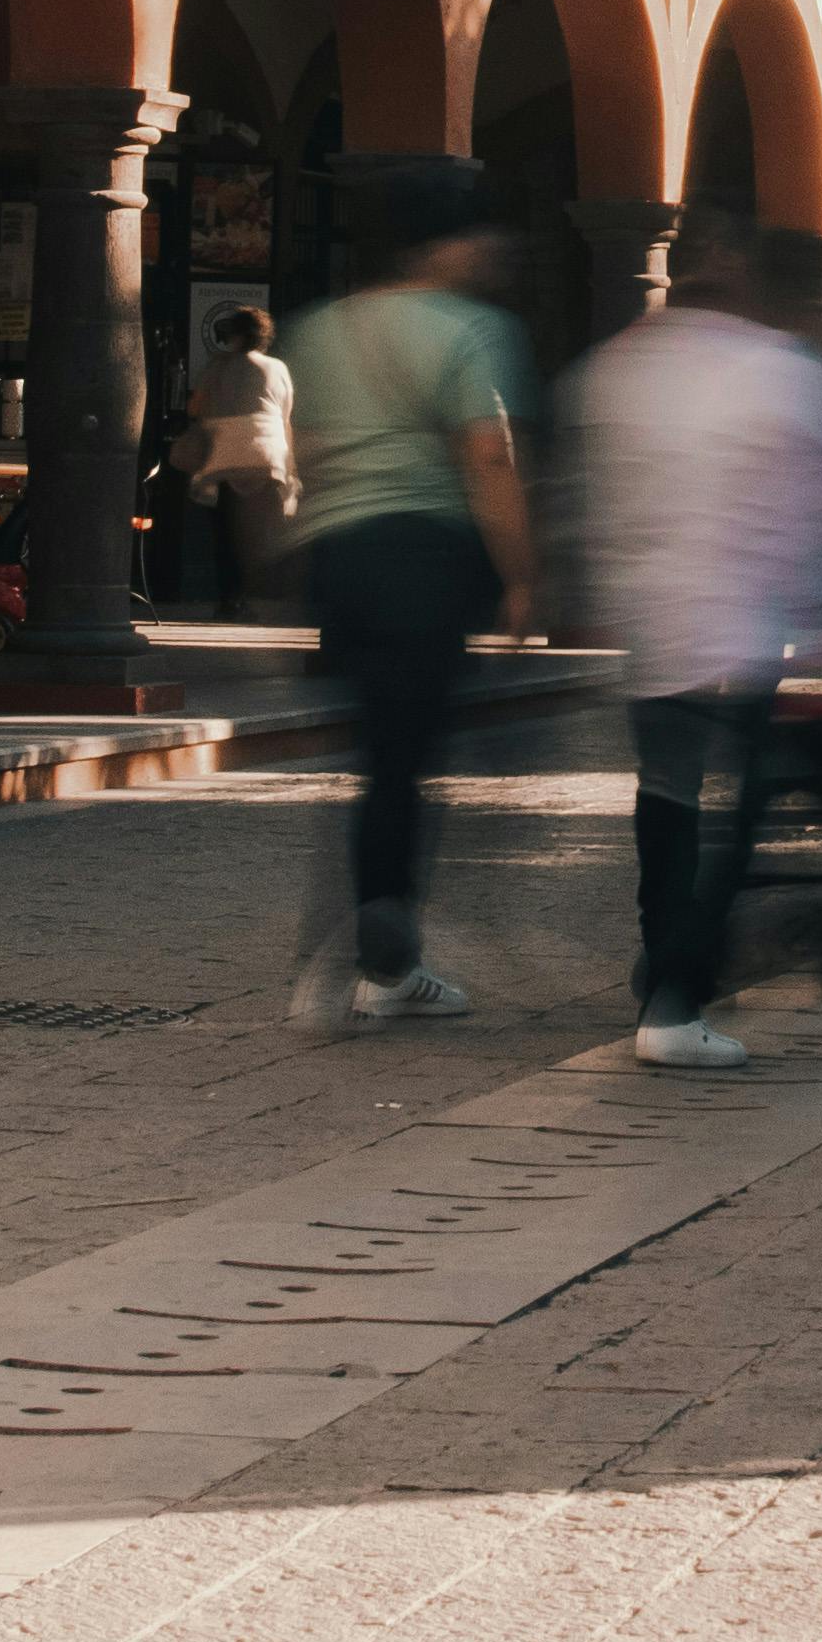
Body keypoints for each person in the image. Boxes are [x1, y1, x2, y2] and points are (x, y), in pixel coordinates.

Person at [574, 217, 822, 1069]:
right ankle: (681, 997)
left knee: (669, 802)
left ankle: (665, 969)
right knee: (743, 816)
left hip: (653, 626)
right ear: (741, 276)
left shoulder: (617, 368)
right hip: (739, 630)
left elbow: (591, 503)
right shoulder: (781, 374)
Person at [281, 168, 536, 1021]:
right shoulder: (474, 329)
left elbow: (304, 453)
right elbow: (489, 455)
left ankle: (373, 950)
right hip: (422, 561)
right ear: (442, 244)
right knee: (403, 766)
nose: (494, 254)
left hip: (339, 559)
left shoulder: (321, 329)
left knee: (381, 758)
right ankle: (377, 965)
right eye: (481, 237)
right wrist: (520, 574)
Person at [182, 305, 293, 606]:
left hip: (226, 458)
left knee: (226, 532)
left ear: (234, 335)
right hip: (266, 458)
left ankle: (230, 599)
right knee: (259, 534)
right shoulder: (277, 368)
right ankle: (258, 597)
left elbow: (194, 409)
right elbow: (285, 416)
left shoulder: (217, 366)